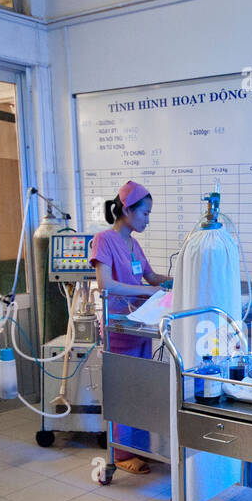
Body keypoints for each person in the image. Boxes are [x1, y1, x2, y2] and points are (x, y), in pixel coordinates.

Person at [90, 180, 171, 474]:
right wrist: (148, 293)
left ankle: (137, 446)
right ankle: (122, 454)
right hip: (118, 329)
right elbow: (105, 284)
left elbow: (149, 276)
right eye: (145, 213)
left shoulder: (133, 244)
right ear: (126, 210)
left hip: (139, 326)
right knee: (124, 391)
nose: (148, 219)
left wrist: (177, 280)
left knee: (141, 390)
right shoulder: (104, 240)